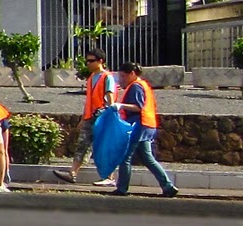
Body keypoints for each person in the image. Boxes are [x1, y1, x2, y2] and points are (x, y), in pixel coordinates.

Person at [111, 63, 179, 198]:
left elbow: (138, 107)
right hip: (147, 124)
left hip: (138, 125)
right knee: (148, 159)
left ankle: (122, 188)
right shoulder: (143, 85)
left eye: (123, 76)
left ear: (132, 73)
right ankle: (168, 186)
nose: (121, 79)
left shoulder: (136, 86)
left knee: (125, 157)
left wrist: (119, 105)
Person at [56, 49, 118, 186]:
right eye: (87, 61)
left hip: (103, 116)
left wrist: (111, 111)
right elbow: (89, 100)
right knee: (82, 145)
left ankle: (109, 176)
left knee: (104, 146)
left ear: (100, 61)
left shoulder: (107, 77)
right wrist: (83, 118)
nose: (88, 63)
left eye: (91, 61)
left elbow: (109, 95)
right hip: (90, 116)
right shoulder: (91, 78)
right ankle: (72, 173)